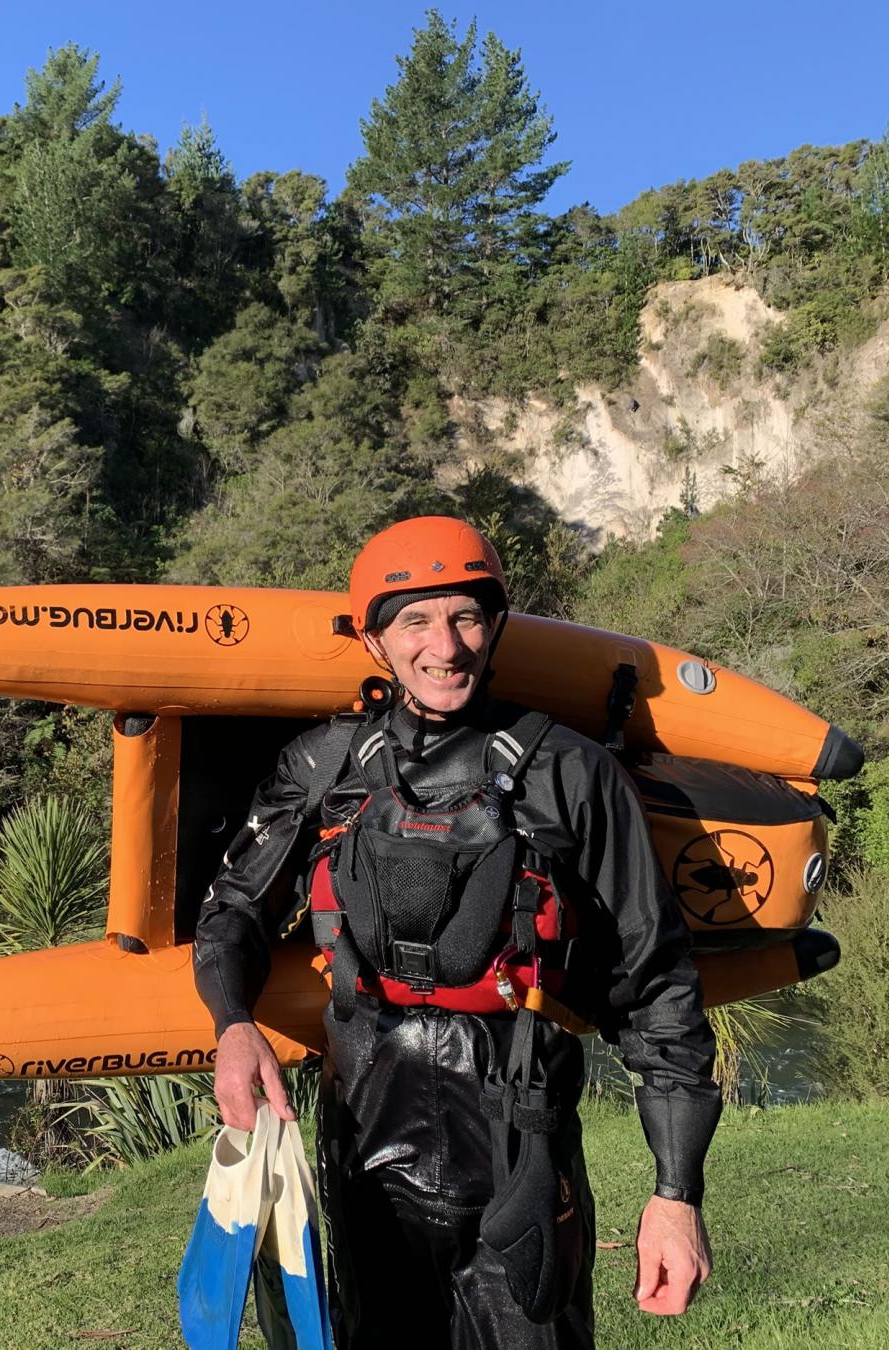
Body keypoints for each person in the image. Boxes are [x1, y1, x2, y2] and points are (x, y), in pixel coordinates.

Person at [192, 516, 722, 1348]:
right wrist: (232, 1026)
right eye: (414, 621)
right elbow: (230, 915)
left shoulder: (571, 774)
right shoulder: (325, 767)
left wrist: (676, 1194)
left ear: (496, 625)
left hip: (522, 1150)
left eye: (467, 617)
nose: (447, 645)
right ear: (375, 642)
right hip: (366, 1146)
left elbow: (655, 988)